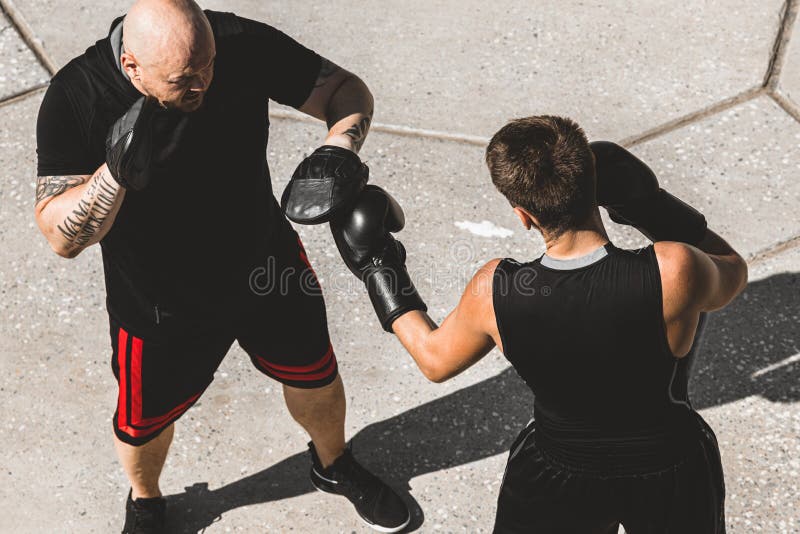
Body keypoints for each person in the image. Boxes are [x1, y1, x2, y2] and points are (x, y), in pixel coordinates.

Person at [34, 1, 410, 532]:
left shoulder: (238, 41)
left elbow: (346, 91)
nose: (203, 84)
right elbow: (59, 236)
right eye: (184, 79)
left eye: (207, 66)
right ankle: (146, 502)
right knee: (142, 425)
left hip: (264, 264)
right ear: (131, 67)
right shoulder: (77, 96)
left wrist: (340, 150)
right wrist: (113, 175)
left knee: (318, 376)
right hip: (158, 299)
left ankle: (333, 465)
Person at [332, 115, 748, 532]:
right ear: (593, 181)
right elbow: (734, 271)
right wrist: (651, 207)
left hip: (557, 471)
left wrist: (377, 267)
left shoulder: (494, 293)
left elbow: (434, 359)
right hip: (672, 466)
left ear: (523, 215)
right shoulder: (675, 269)